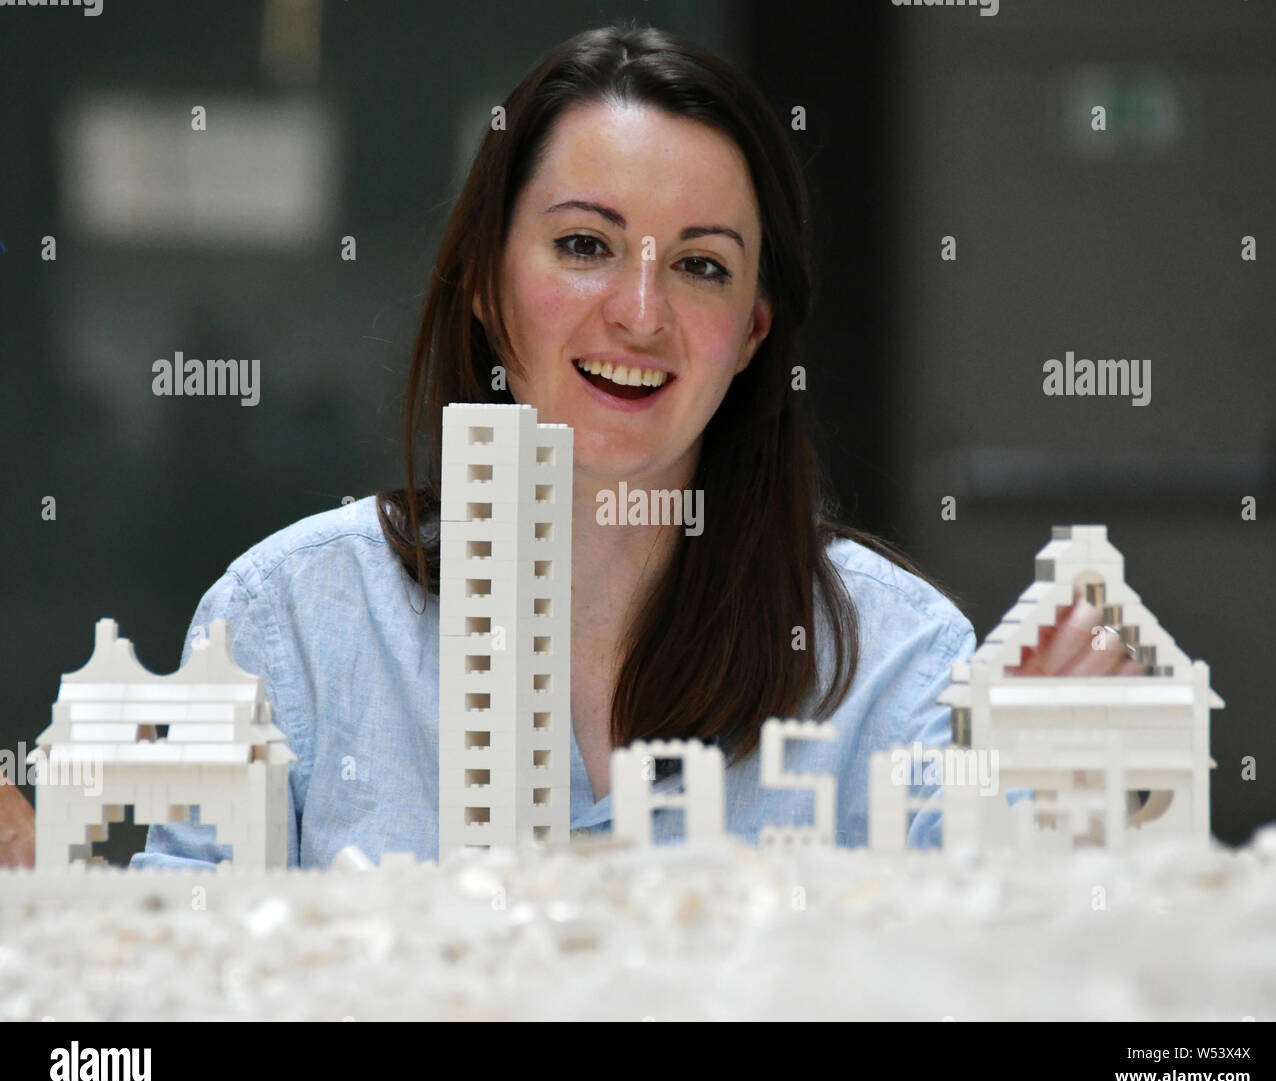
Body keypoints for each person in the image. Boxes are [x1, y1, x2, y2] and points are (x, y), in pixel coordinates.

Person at [117, 22, 1137, 870]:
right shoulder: (291, 622)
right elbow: (168, 980)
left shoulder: (895, 660)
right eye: (583, 246)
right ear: (482, 284)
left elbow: (983, 964)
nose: (639, 314)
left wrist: (1054, 804)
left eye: (700, 265)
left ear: (750, 332)